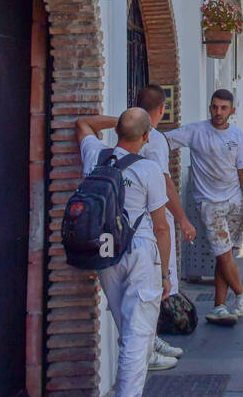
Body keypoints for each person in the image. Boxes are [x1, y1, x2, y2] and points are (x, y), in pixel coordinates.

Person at [82, 87, 198, 366]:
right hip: (137, 244)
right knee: (141, 310)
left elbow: (83, 124)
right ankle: (145, 356)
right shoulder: (150, 153)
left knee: (125, 316)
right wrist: (181, 221)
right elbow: (161, 219)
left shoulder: (95, 153)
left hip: (100, 247)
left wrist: (124, 122)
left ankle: (146, 348)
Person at [75, 108, 172, 397]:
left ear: (117, 132)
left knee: (129, 330)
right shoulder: (149, 169)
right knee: (138, 334)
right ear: (146, 137)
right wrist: (166, 272)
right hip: (140, 252)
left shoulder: (96, 157)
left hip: (104, 253)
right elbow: (160, 226)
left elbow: (83, 124)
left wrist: (117, 121)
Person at [162, 90, 243, 325]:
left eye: (224, 108)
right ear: (210, 107)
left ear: (232, 111)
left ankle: (219, 306)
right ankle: (242, 294)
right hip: (209, 204)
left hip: (235, 201)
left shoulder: (237, 135)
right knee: (223, 254)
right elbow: (163, 141)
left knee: (224, 255)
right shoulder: (195, 131)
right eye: (214, 107)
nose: (218, 112)